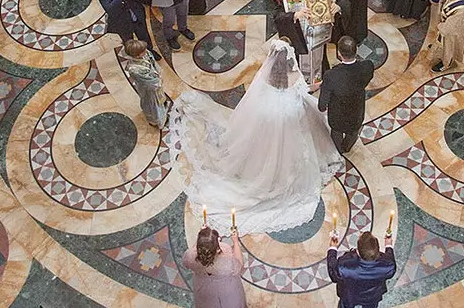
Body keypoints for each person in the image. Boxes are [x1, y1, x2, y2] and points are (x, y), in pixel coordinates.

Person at [166, 37, 341, 233]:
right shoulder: (294, 76)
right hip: (287, 118)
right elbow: (305, 89)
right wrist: (319, 85)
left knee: (265, 147)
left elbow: (256, 94)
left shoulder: (265, 75)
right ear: (289, 58)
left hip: (268, 118)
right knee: (288, 147)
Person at [327, 229, 396, 308]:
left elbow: (333, 274)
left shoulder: (344, 266)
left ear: (358, 252)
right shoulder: (388, 266)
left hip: (349, 295)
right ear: (378, 250)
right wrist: (389, 245)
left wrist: (333, 248)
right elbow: (389, 259)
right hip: (372, 296)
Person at [183, 225, 246, 308]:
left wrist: (204, 239)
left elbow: (186, 262)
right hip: (225, 288)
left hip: (203, 286)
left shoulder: (190, 256)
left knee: (209, 304)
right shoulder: (226, 257)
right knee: (228, 304)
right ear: (217, 248)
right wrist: (235, 242)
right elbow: (239, 265)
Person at [318, 36, 373, 154]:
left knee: (336, 132)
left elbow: (322, 105)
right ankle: (347, 148)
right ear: (356, 51)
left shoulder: (331, 75)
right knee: (353, 132)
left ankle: (338, 151)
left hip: (337, 115)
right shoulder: (367, 67)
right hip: (356, 112)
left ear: (339, 53)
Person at [122, 38, 165, 125]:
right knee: (151, 103)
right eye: (143, 51)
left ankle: (161, 111)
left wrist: (158, 72)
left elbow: (152, 62)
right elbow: (148, 83)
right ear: (136, 55)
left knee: (158, 100)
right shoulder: (134, 70)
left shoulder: (146, 53)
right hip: (147, 88)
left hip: (154, 79)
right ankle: (154, 120)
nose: (146, 51)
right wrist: (158, 82)